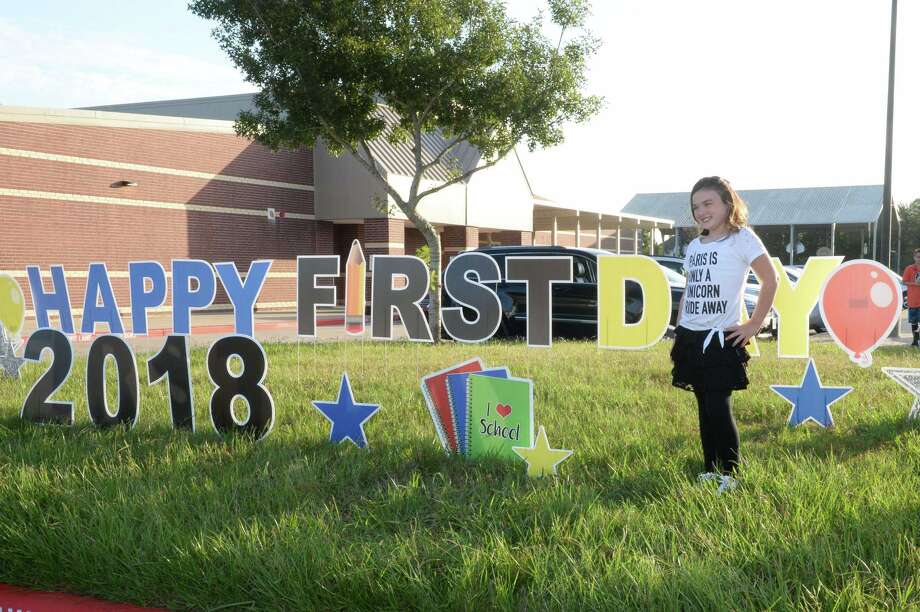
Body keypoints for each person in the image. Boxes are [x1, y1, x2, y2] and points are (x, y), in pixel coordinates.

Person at [670, 177, 778, 494]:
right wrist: (679, 329)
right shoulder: (693, 246)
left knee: (719, 405)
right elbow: (690, 291)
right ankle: (710, 470)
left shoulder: (742, 239)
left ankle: (730, 474)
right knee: (704, 407)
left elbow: (770, 281)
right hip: (690, 336)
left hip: (720, 338)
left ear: (728, 204)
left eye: (708, 203)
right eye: (695, 207)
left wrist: (753, 325)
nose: (701, 211)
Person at [901, 248, 920, 347]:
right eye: (918, 257)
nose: (919, 259)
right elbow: (903, 282)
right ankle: (915, 341)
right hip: (912, 300)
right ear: (914, 257)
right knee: (914, 323)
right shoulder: (909, 268)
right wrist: (915, 284)